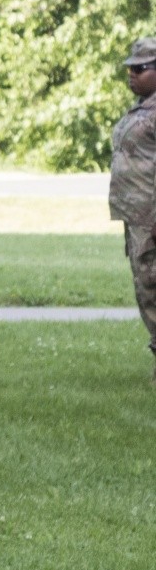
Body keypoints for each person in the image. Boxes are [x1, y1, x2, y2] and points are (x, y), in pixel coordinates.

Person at [110, 36, 156, 376]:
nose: (132, 74)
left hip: (152, 218)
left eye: (139, 69)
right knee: (145, 286)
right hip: (137, 217)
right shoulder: (142, 108)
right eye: (130, 68)